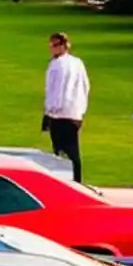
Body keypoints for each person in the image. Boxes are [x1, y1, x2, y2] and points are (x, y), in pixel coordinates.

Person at [43, 32, 89, 182]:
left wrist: (49, 111)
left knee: (62, 151)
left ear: (64, 46)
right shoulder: (77, 62)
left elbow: (56, 89)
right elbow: (85, 86)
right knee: (72, 149)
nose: (52, 49)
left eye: (55, 45)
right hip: (75, 113)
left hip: (60, 114)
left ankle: (68, 182)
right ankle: (76, 180)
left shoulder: (57, 65)